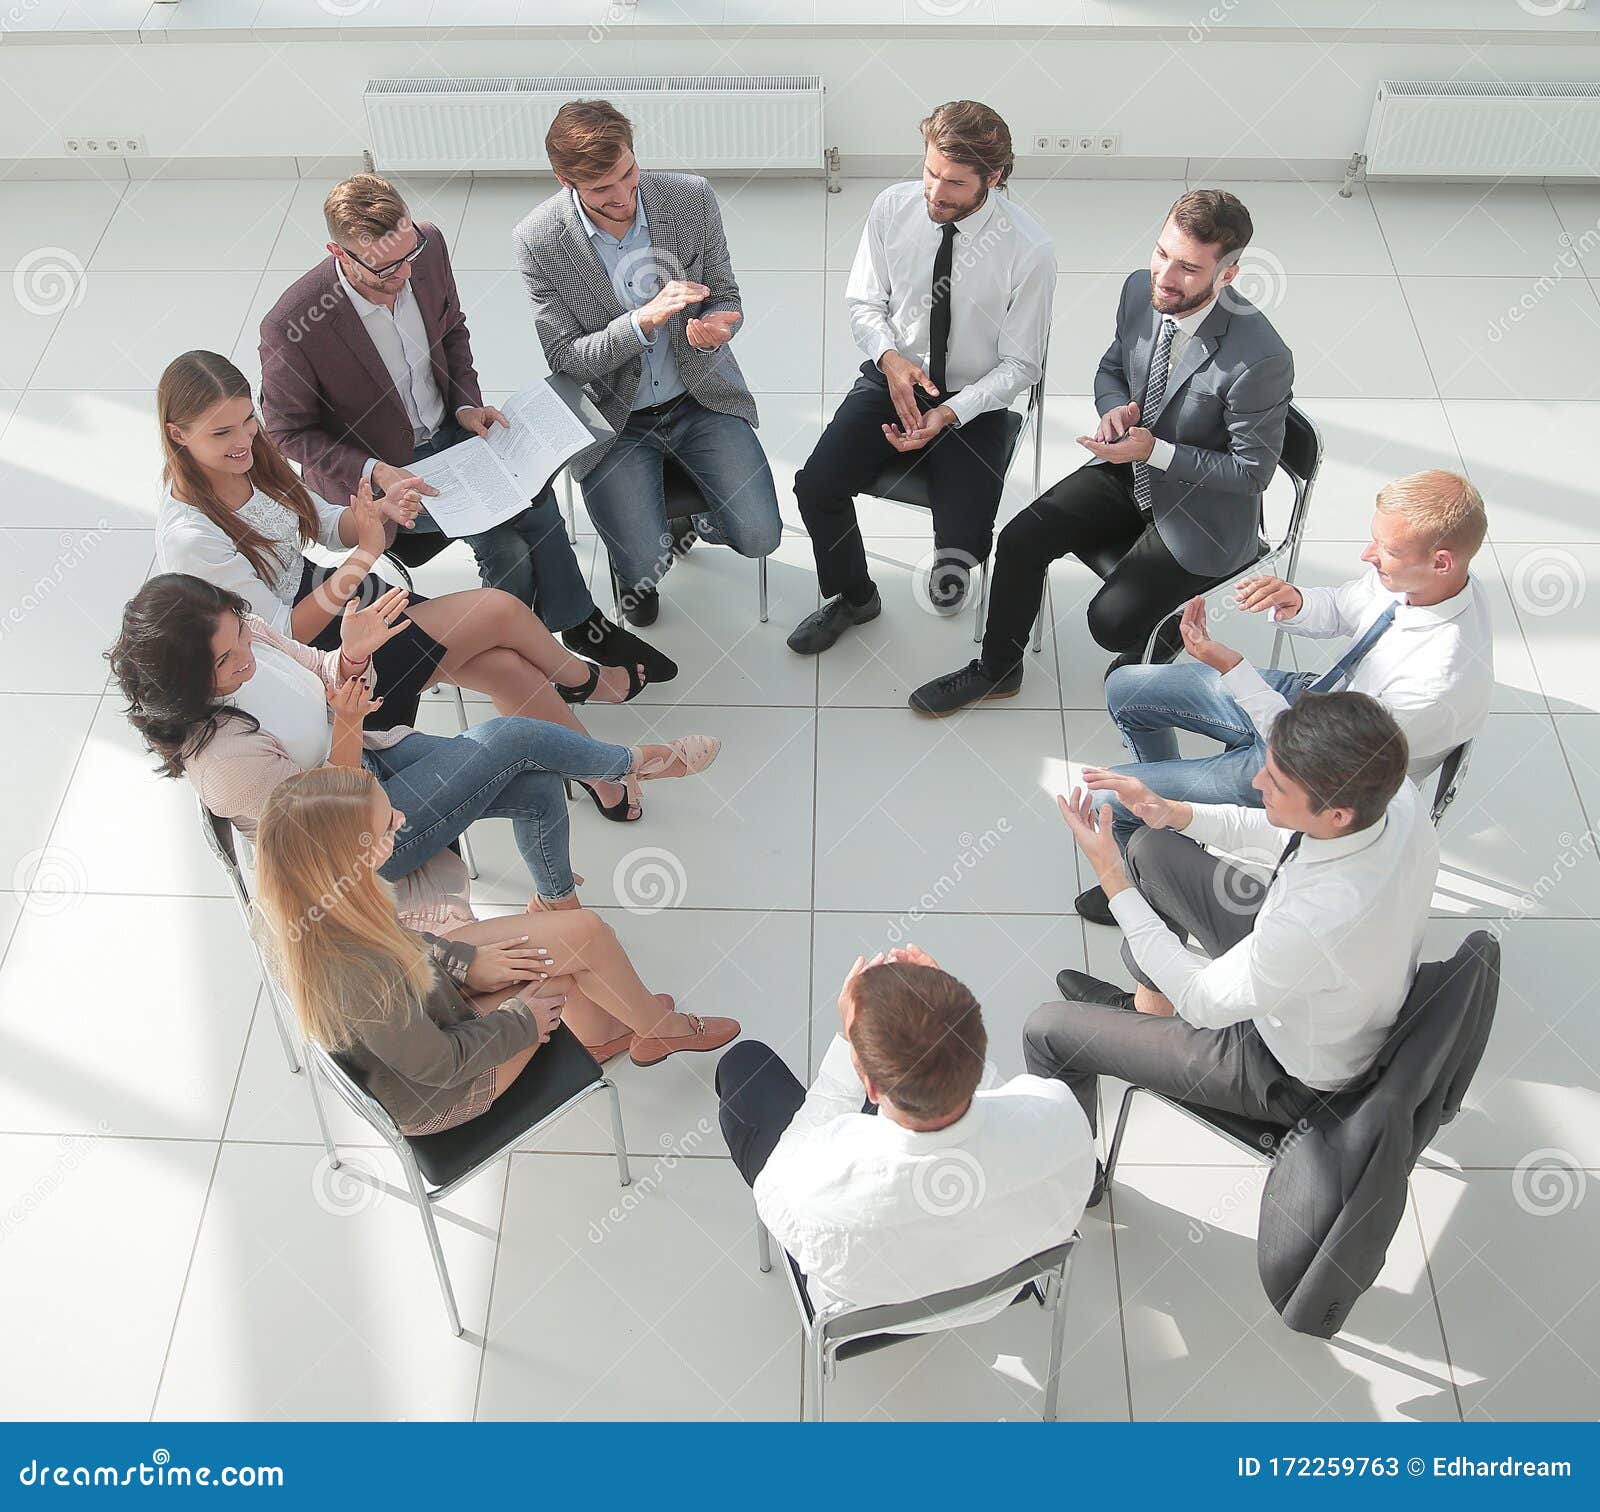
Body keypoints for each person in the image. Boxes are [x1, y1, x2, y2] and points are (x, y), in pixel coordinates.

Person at [258, 172, 673, 685]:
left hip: (451, 432)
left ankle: (540, 647)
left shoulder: (425, 246)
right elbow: (286, 431)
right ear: (339, 253)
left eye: (409, 256)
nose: (405, 276)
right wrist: (376, 471)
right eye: (387, 269)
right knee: (505, 542)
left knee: (533, 492)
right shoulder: (294, 324)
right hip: (387, 480)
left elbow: (452, 329)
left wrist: (465, 406)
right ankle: (546, 651)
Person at [1028, 692, 1437, 1204]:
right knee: (1153, 849)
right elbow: (1285, 832)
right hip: (1314, 989)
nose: (1258, 784)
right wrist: (1172, 811)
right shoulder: (1394, 795)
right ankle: (1143, 1015)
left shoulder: (1317, 918)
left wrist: (1109, 873)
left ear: (1336, 813)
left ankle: (1074, 1183)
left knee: (1046, 1030)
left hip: (1285, 1069)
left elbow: (1202, 999)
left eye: (1277, 784)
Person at [106, 574, 723, 911]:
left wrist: (351, 655)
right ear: (190, 685)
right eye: (226, 660)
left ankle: (559, 905)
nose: (247, 652)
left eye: (240, 631)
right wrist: (346, 722)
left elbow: (322, 673)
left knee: (537, 787)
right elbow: (329, 819)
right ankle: (635, 764)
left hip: (370, 757)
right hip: (358, 842)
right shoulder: (224, 761)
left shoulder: (249, 636)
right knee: (507, 737)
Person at [911, 189, 1293, 714]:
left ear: (1226, 274)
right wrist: (1116, 408)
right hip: (1131, 466)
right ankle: (998, 668)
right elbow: (1112, 368)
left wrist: (1156, 450)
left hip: (1202, 512)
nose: (1164, 276)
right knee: (1021, 538)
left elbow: (1253, 473)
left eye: (1187, 268)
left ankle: (1160, 639)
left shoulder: (1261, 357)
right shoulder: (1141, 290)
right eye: (1161, 253)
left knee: (1109, 626)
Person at [156, 349, 652, 748]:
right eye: (223, 432)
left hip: (336, 597)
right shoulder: (191, 538)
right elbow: (282, 632)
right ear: (177, 435)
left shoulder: (249, 459)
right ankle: (586, 681)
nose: (245, 438)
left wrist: (376, 511)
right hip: (307, 656)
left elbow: (322, 522)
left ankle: (602, 773)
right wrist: (365, 555)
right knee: (499, 609)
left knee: (507, 668)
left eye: (247, 421)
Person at [1074, 469, 1493, 924]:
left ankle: (1153, 878)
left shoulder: (1432, 683)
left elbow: (1309, 756)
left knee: (1108, 795)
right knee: (1126, 688)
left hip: (1315, 767)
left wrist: (1232, 669)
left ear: (1443, 562)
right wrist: (1297, 600)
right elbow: (1350, 604)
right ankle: (1171, 829)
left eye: (1386, 551)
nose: (1367, 555)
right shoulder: (1428, 582)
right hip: (1320, 704)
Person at [254, 768, 739, 1123]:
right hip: (447, 1085)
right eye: (386, 825)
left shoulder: (317, 900)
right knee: (561, 963)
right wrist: (521, 1020)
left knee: (581, 934)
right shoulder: (360, 975)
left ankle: (629, 1029)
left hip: (430, 1007)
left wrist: (466, 964)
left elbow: (405, 944)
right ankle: (656, 1028)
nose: (401, 819)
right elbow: (439, 1067)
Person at [787, 100, 1054, 653]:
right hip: (894, 375)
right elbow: (864, 302)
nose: (935, 192)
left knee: (963, 550)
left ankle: (949, 564)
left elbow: (1023, 364)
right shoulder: (892, 208)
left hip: (973, 401)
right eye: (930, 172)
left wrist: (951, 411)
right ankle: (854, 595)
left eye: (955, 183)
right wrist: (890, 361)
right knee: (815, 485)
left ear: (994, 178)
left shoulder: (1029, 249)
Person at [514, 99, 783, 628]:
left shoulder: (689, 198)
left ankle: (697, 515)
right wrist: (642, 323)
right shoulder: (539, 240)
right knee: (641, 567)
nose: (622, 197)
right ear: (565, 180)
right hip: (616, 422)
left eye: (628, 174)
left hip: (699, 398)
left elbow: (724, 292)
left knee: (758, 536)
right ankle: (637, 553)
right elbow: (566, 359)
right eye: (601, 190)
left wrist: (719, 326)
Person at [716, 947, 1095, 1321]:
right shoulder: (1060, 1117)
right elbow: (1006, 1102)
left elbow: (773, 1182)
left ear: (872, 1087)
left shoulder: (816, 1192)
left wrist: (851, 1045)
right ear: (975, 1050)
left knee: (746, 1061)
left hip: (864, 1315)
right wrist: (941, 1022)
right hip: (999, 1292)